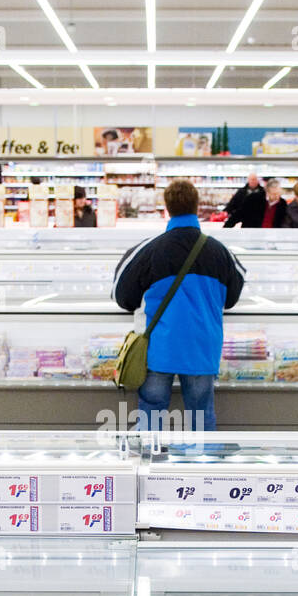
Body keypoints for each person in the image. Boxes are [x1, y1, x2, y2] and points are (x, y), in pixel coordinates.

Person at [113, 179, 245, 432]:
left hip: (158, 349)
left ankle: (150, 466)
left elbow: (123, 296)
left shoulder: (148, 250)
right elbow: (231, 298)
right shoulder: (220, 251)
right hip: (201, 348)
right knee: (200, 416)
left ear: (167, 209)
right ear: (197, 208)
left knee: (151, 414)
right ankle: (201, 467)